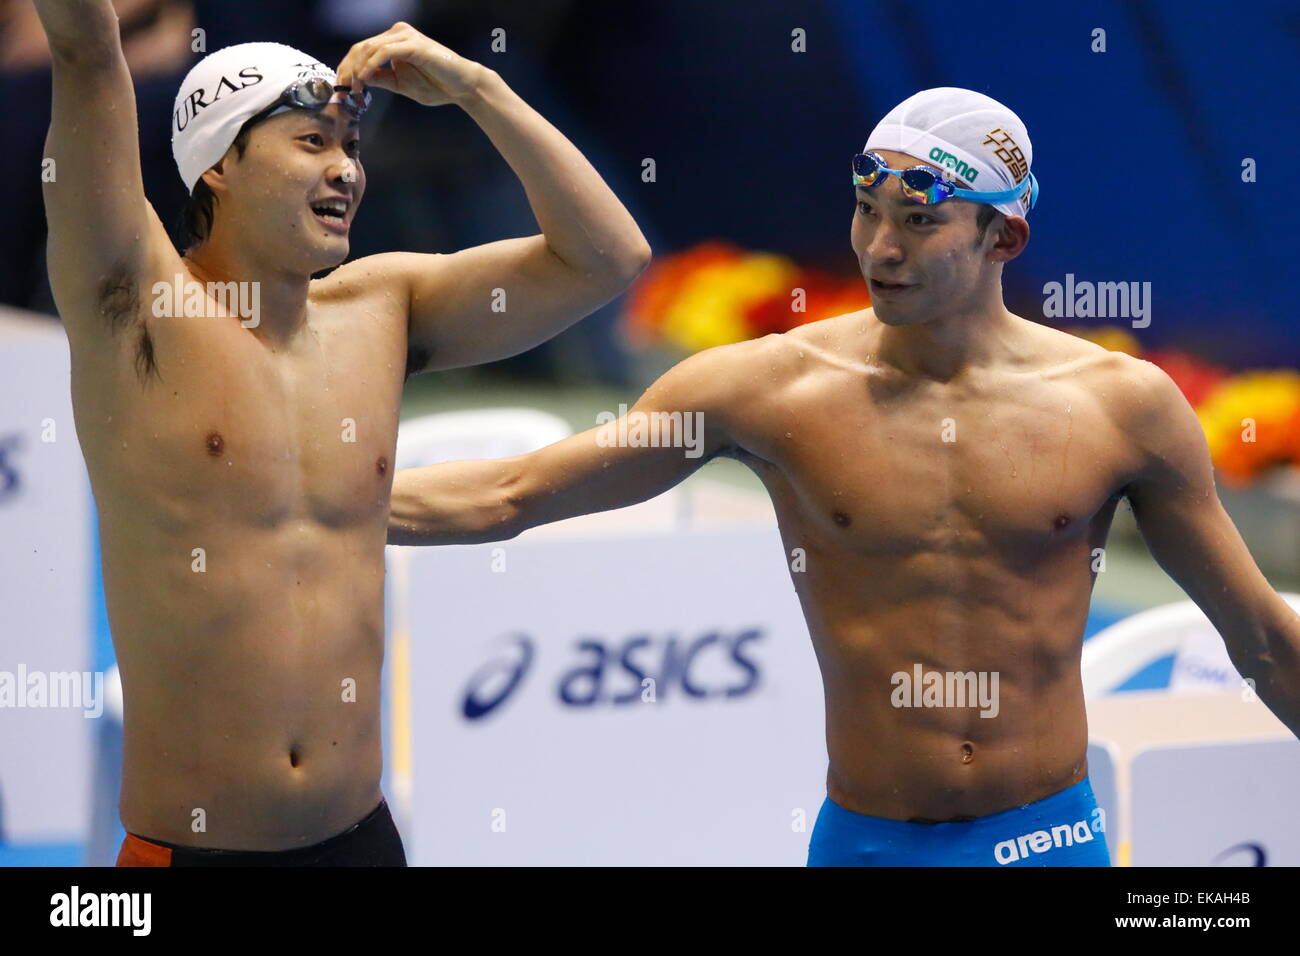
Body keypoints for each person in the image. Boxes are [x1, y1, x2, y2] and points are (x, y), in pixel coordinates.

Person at [387, 87, 1300, 866]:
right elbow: (514, 492)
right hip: (864, 845)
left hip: (1046, 840)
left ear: (1005, 236)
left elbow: (1261, 637)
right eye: (867, 210)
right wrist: (313, 507)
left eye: (919, 221)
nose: (880, 248)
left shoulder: (1121, 408)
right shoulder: (764, 390)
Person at [33, 2, 650, 867]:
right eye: (311, 142)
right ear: (220, 164)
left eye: (352, 146)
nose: (346, 170)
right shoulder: (134, 302)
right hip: (194, 850)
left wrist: (477, 88)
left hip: (361, 839)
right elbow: (87, 51)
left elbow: (607, 258)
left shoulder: (382, 308)